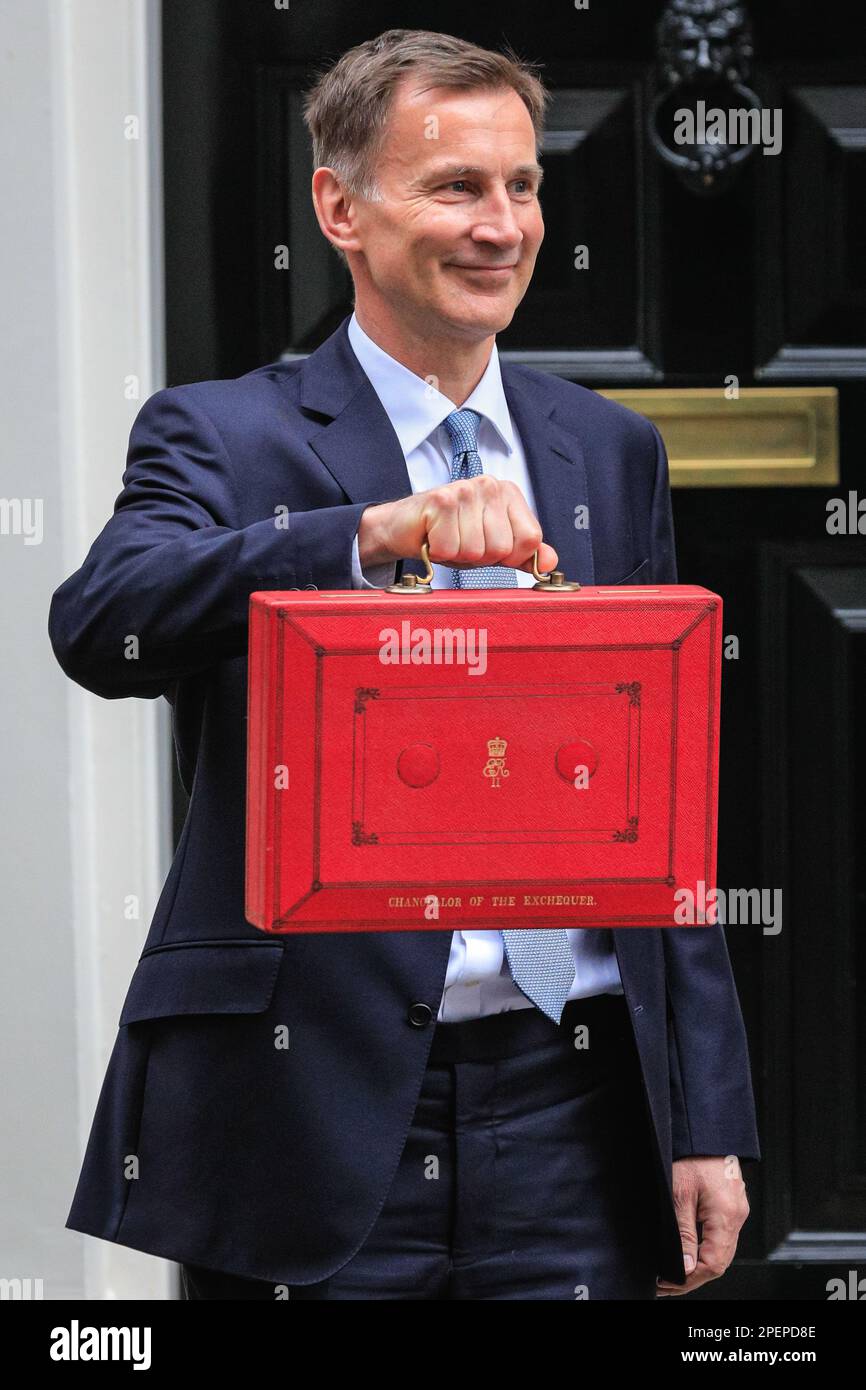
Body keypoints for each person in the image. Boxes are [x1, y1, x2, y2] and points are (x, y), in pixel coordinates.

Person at [48, 28, 759, 1301]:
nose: (501, 225)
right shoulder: (221, 433)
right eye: (454, 187)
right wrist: (365, 538)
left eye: (521, 186)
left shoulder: (608, 449)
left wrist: (702, 1112)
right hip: (305, 1107)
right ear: (340, 208)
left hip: (576, 1109)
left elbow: (666, 815)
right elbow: (104, 623)